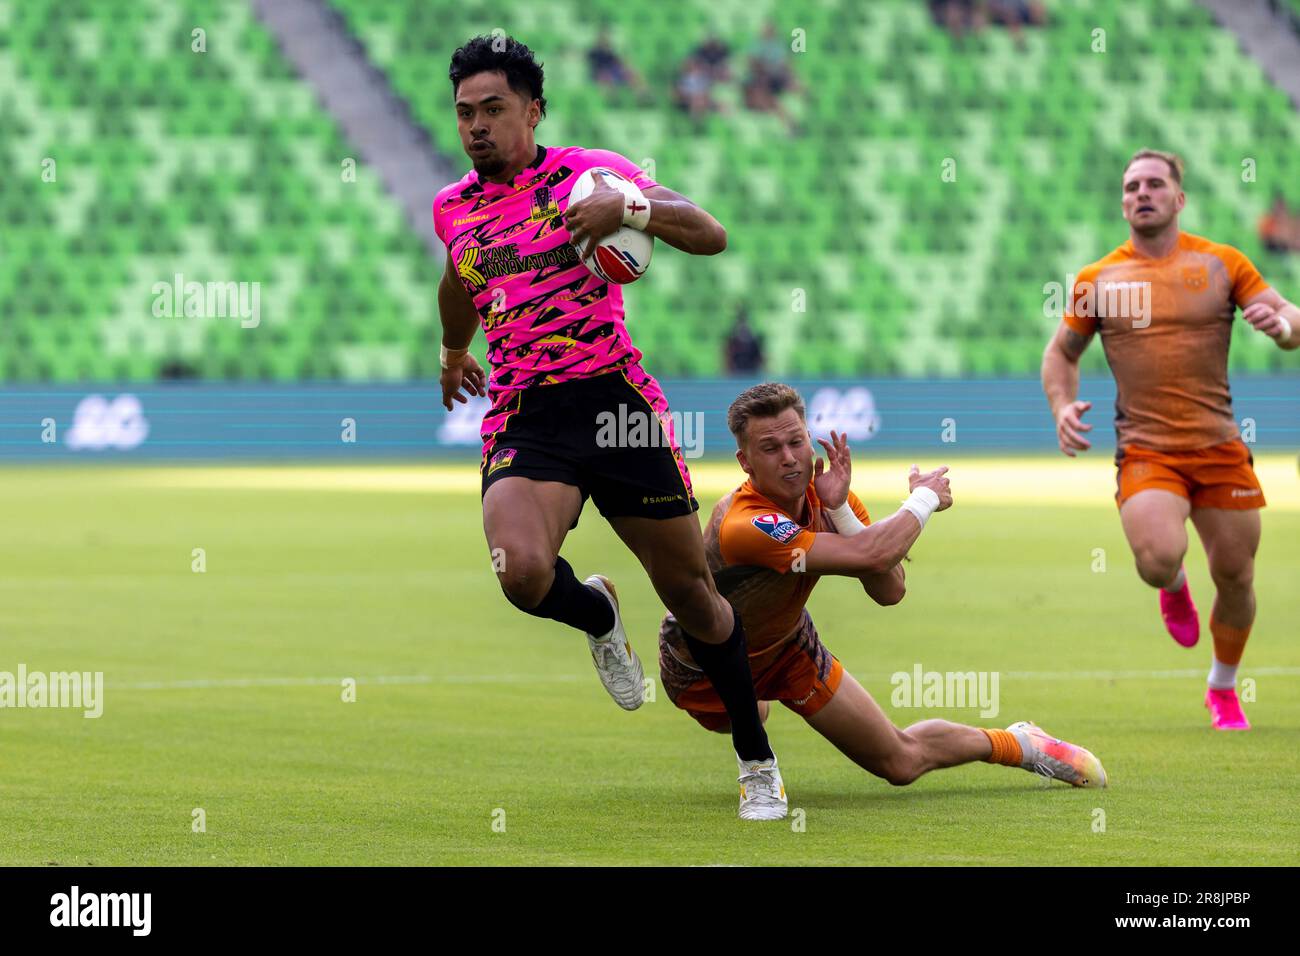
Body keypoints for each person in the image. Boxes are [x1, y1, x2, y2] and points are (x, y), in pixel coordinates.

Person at [434, 35, 781, 816]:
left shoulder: (590, 174)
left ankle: (756, 760)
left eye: (494, 109)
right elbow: (458, 278)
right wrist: (456, 348)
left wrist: (630, 208)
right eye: (464, 113)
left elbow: (709, 232)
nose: (477, 126)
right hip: (528, 412)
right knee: (520, 573)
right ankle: (597, 613)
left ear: (533, 110)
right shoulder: (452, 206)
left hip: (615, 403)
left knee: (692, 594)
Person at [659, 383, 1107, 818]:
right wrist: (925, 497)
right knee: (747, 712)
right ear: (745, 461)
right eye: (771, 449)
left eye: (796, 441)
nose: (791, 458)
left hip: (787, 646)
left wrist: (839, 511)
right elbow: (872, 553)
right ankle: (755, 711)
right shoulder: (745, 523)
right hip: (703, 666)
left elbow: (889, 589)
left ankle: (1022, 744)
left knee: (901, 763)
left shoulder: (828, 497)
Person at [1041, 148, 1300, 731]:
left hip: (1219, 446)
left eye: (1155, 184)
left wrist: (1281, 326)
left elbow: (1289, 317)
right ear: (1123, 201)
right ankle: (1174, 587)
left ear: (1179, 199)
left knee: (1236, 576)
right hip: (1148, 449)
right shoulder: (1098, 278)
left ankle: (1223, 687)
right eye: (1132, 186)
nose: (1142, 193)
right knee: (1159, 559)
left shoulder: (1221, 264)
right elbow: (1061, 352)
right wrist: (1060, 405)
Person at [724, 307, 764, 374]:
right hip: (736, 374)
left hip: (752, 373)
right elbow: (727, 360)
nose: (743, 326)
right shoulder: (732, 342)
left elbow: (760, 360)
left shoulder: (755, 343)